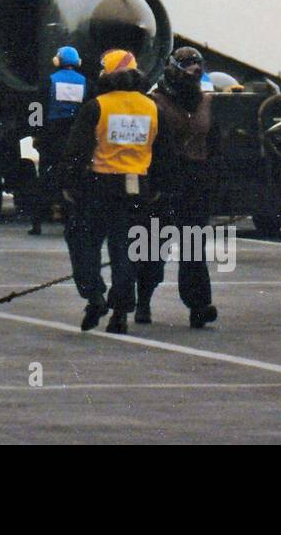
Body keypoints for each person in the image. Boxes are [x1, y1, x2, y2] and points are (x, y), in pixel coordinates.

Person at [58, 48, 158, 334]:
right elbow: (162, 152)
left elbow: (77, 151)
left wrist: (67, 183)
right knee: (125, 251)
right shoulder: (151, 107)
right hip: (137, 186)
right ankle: (120, 314)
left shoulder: (97, 106)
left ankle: (94, 294)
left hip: (100, 185)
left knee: (81, 240)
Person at [142, 46, 220, 328]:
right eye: (187, 65)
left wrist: (213, 180)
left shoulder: (207, 104)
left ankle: (199, 306)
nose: (193, 71)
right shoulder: (153, 102)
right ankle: (143, 301)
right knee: (153, 245)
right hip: (164, 180)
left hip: (196, 181)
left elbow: (214, 146)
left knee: (193, 247)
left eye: (197, 66)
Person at [29, 45, 86, 235]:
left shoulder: (48, 81)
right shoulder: (86, 82)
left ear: (57, 61)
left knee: (45, 179)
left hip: (51, 137)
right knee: (73, 181)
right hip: (74, 137)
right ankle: (71, 220)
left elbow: (36, 107)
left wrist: (35, 133)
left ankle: (36, 224)